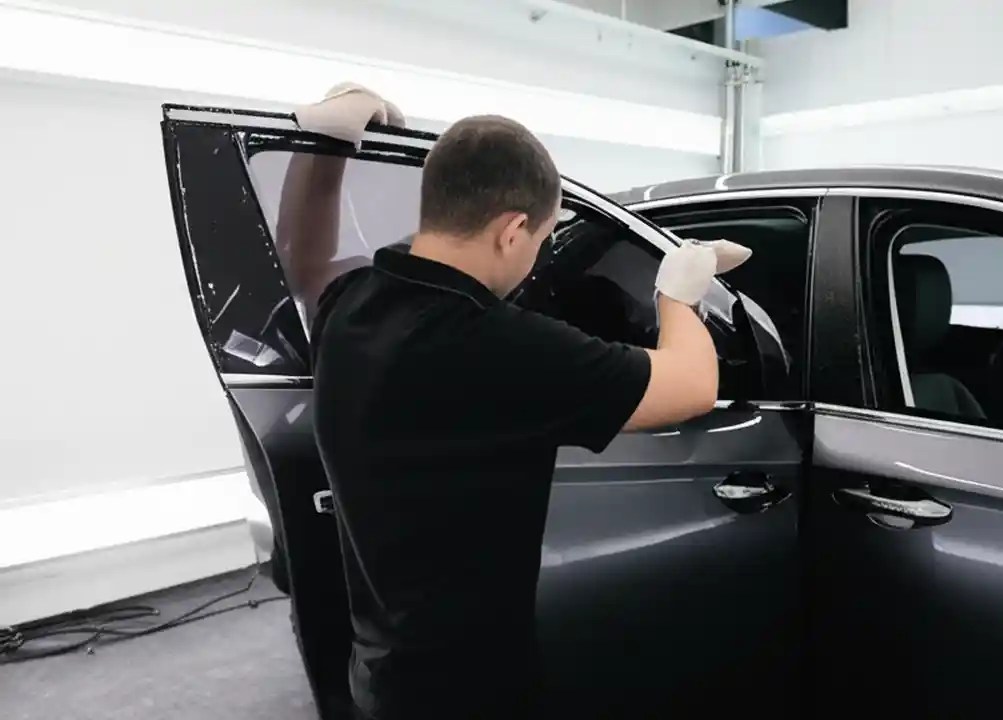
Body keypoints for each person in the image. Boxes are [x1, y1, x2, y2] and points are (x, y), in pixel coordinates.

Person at [283, 84, 751, 719]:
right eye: (542, 240)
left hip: (379, 675)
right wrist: (677, 292)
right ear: (511, 231)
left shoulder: (352, 302)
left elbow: (303, 264)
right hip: (469, 692)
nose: (537, 260)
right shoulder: (503, 347)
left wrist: (325, 149)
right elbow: (693, 385)